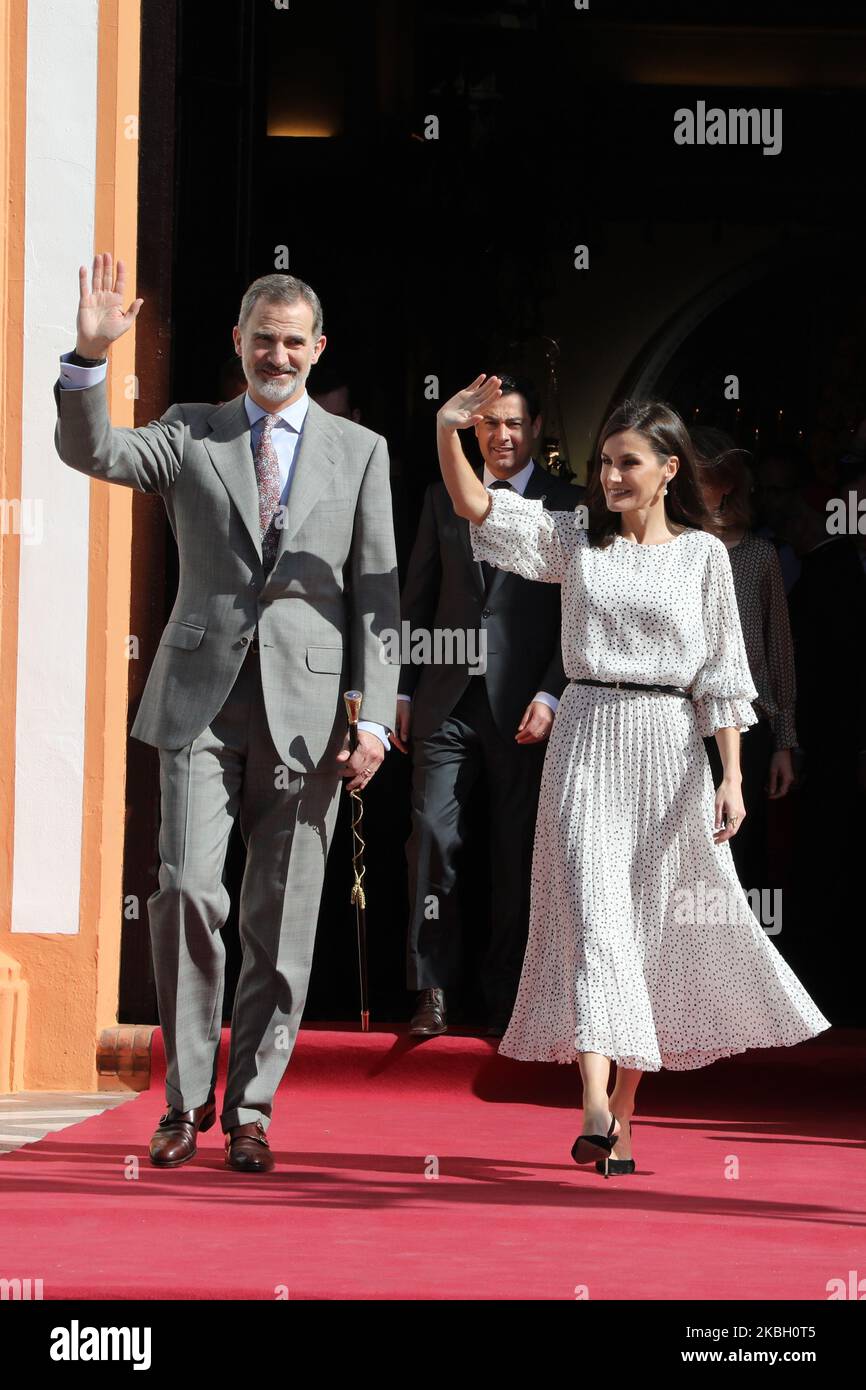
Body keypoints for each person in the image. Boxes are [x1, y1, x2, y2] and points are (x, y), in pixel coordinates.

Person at [54, 254, 400, 1173]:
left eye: (294, 342)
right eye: (263, 340)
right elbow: (95, 452)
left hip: (309, 712)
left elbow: (378, 593)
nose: (277, 356)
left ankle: (251, 1110)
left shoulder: (362, 452)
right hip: (198, 704)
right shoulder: (190, 431)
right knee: (185, 893)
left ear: (318, 348)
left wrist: (373, 719)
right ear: (237, 343)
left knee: (281, 919)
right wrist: (88, 358)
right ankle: (183, 1101)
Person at [437, 376, 831, 1178]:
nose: (612, 477)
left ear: (668, 470)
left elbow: (724, 675)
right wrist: (448, 431)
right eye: (605, 464)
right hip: (586, 738)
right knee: (594, 920)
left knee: (649, 937)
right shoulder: (579, 539)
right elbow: (479, 507)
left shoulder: (705, 557)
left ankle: (622, 1111)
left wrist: (732, 777)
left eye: (628, 463)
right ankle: (591, 1102)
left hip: (671, 750)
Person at [394, 374, 581, 1037]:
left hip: (526, 707)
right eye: (490, 423)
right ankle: (432, 991)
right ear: (473, 428)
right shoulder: (440, 495)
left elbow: (581, 613)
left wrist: (551, 692)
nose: (502, 435)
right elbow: (417, 595)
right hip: (445, 700)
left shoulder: (572, 505)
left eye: (514, 423)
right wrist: (401, 688)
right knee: (431, 839)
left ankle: (508, 994)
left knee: (517, 851)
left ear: (536, 430)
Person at [692, 427, 797, 896]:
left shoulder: (759, 556)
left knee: (740, 856)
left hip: (748, 726)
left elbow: (779, 651)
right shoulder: (671, 548)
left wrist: (784, 742)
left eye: (702, 477)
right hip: (679, 725)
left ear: (727, 483)